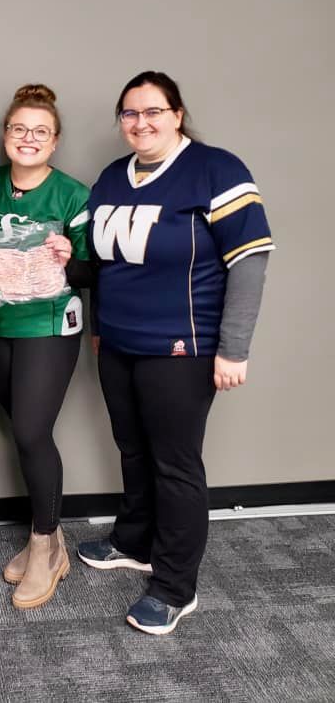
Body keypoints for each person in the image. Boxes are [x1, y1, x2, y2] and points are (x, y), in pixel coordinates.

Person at [78, 70, 274, 634]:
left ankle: (173, 586)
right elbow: (102, 266)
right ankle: (134, 541)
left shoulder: (217, 169)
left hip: (182, 347)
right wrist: (98, 325)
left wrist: (233, 349)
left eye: (153, 111)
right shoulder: (113, 177)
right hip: (118, 342)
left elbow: (250, 263)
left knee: (174, 463)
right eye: (130, 114)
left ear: (177, 114)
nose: (141, 123)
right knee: (132, 449)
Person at [0, 84, 90, 609]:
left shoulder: (73, 195)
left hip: (48, 325)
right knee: (21, 433)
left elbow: (97, 270)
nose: (28, 138)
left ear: (55, 141)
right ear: (5, 135)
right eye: (19, 129)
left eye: (40, 132)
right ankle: (51, 538)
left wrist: (72, 255)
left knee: (30, 430)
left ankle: (44, 545)